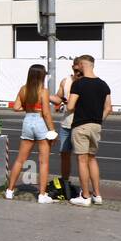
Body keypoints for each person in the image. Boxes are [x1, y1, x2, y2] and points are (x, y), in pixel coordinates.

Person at [5, 63, 58, 204]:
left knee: (20, 160)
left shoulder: (23, 89)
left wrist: (28, 107)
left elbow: (16, 107)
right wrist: (52, 130)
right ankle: (42, 195)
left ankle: (9, 190)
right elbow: (46, 113)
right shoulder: (43, 91)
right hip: (40, 121)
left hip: (27, 121)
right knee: (43, 161)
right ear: (42, 76)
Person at [67, 55, 112, 207]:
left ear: (81, 65)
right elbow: (108, 108)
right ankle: (97, 195)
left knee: (82, 160)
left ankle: (85, 196)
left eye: (77, 65)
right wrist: (98, 119)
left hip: (81, 125)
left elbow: (70, 106)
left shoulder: (78, 84)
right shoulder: (103, 84)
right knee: (92, 159)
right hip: (96, 125)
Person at [48, 59, 83, 200]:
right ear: (73, 67)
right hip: (66, 124)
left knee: (83, 158)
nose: (77, 73)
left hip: (81, 124)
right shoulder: (66, 81)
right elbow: (58, 98)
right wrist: (46, 96)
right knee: (64, 154)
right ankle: (65, 182)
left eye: (79, 70)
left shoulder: (87, 82)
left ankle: (84, 189)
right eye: (75, 70)